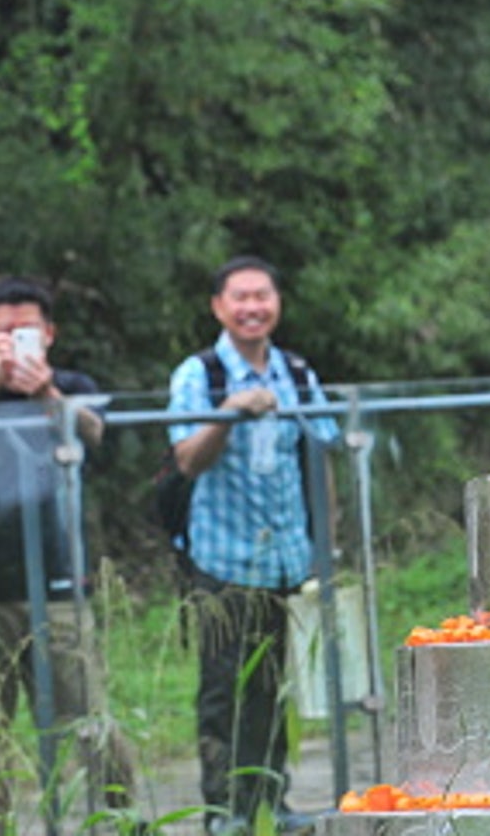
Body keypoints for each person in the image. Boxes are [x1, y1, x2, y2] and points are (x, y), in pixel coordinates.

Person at [0, 278, 139, 833]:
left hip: (61, 580)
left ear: (49, 334)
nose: (18, 341)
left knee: (90, 720)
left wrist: (46, 392)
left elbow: (95, 433)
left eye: (28, 331)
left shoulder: (73, 386)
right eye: (6, 332)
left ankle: (121, 822)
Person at [166, 257, 341, 834]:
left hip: (288, 559)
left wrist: (326, 544)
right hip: (222, 560)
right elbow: (187, 460)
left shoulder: (297, 371)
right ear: (218, 306)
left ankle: (272, 803)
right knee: (224, 694)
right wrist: (228, 415)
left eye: (261, 296)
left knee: (274, 687)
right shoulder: (200, 374)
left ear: (277, 302)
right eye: (239, 297)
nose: (252, 308)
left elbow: (321, 453)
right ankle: (224, 813)